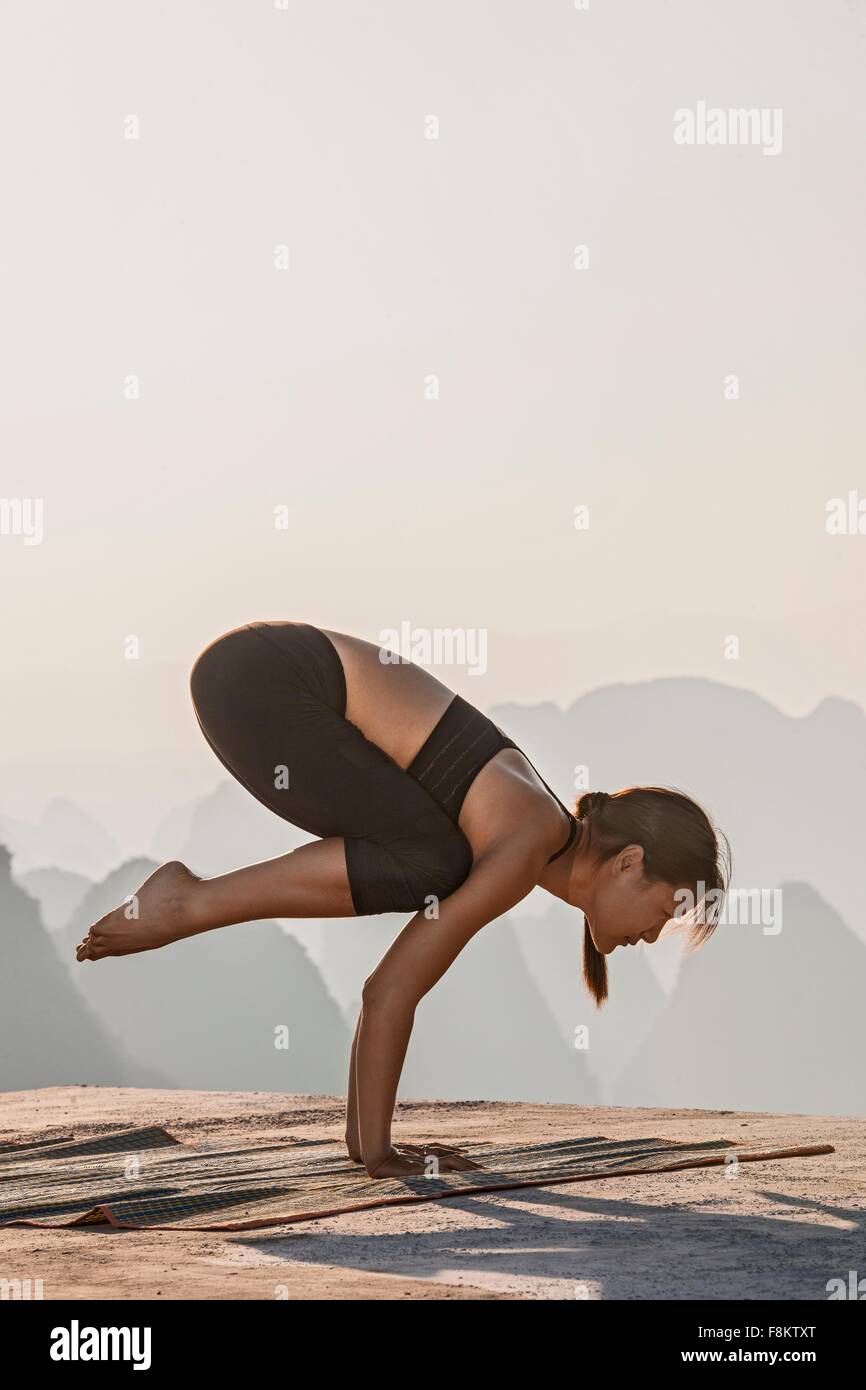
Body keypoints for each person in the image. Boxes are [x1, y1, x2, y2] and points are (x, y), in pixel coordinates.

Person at [76, 621, 730, 1179]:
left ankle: (192, 901)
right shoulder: (528, 838)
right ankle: (190, 902)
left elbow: (380, 989)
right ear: (629, 862)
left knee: (438, 857)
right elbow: (390, 989)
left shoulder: (528, 827)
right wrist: (384, 1155)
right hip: (267, 685)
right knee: (439, 862)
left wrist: (367, 1147)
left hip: (249, 679)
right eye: (668, 910)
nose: (654, 934)